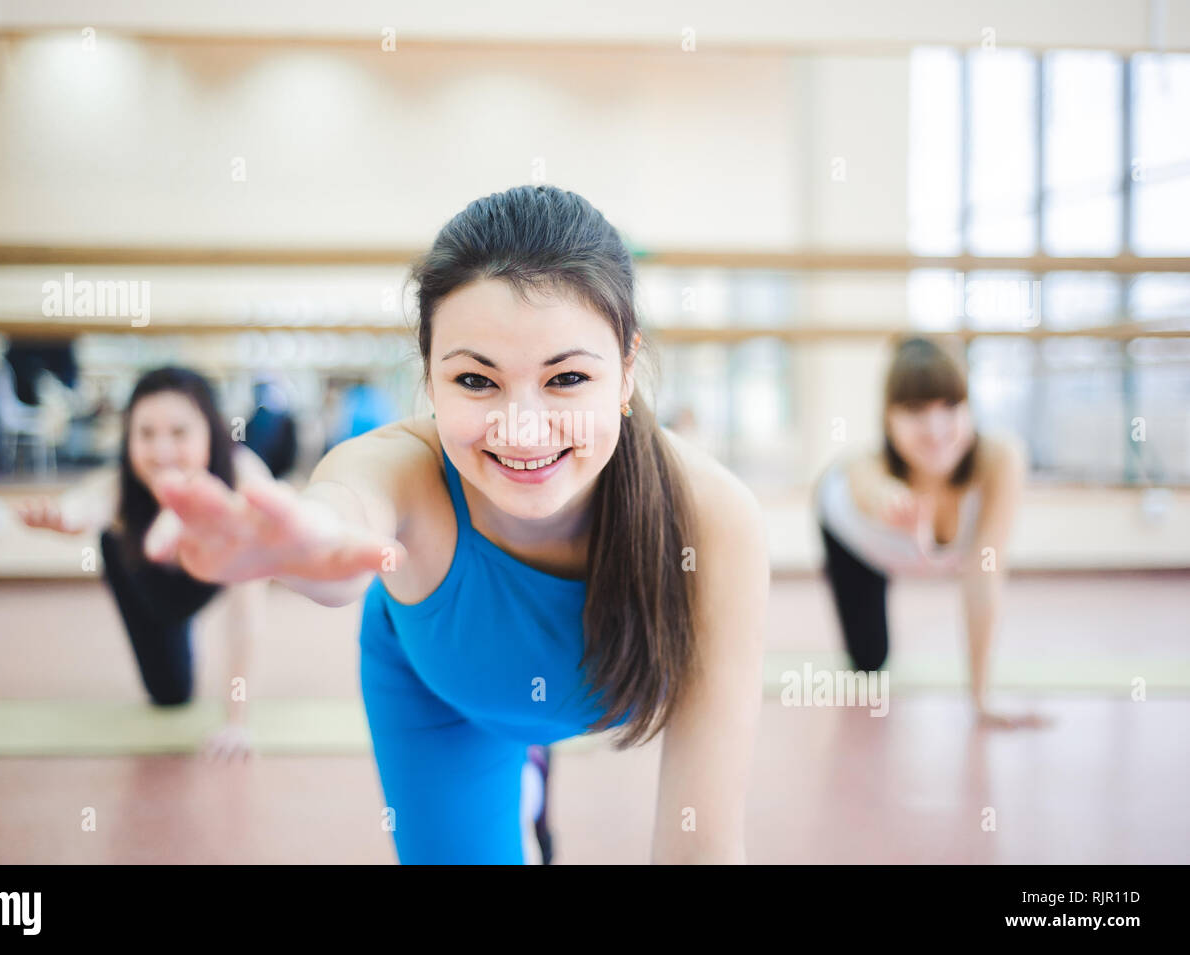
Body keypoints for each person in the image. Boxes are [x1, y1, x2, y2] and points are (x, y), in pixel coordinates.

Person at [150, 184, 768, 864]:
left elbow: (702, 846)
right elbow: (346, 505)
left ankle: (524, 768)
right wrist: (308, 543)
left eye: (565, 379)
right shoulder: (404, 468)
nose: (523, 428)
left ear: (625, 373)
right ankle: (518, 772)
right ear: (430, 378)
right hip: (439, 689)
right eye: (477, 381)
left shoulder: (712, 519)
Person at [16, 365, 272, 759]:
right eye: (146, 434)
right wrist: (63, 518)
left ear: (211, 431)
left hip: (202, 579)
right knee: (169, 695)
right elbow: (88, 503)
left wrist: (236, 723)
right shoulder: (123, 485)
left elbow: (246, 615)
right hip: (147, 587)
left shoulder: (244, 481)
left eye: (179, 433)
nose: (162, 451)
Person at [814, 335, 1050, 731]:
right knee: (870, 663)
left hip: (909, 546)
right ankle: (873, 579)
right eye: (916, 410)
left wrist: (981, 698)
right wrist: (893, 504)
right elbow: (869, 488)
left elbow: (983, 575)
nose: (936, 427)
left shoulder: (1001, 460)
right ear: (888, 419)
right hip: (854, 540)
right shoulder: (864, 466)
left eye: (951, 406)